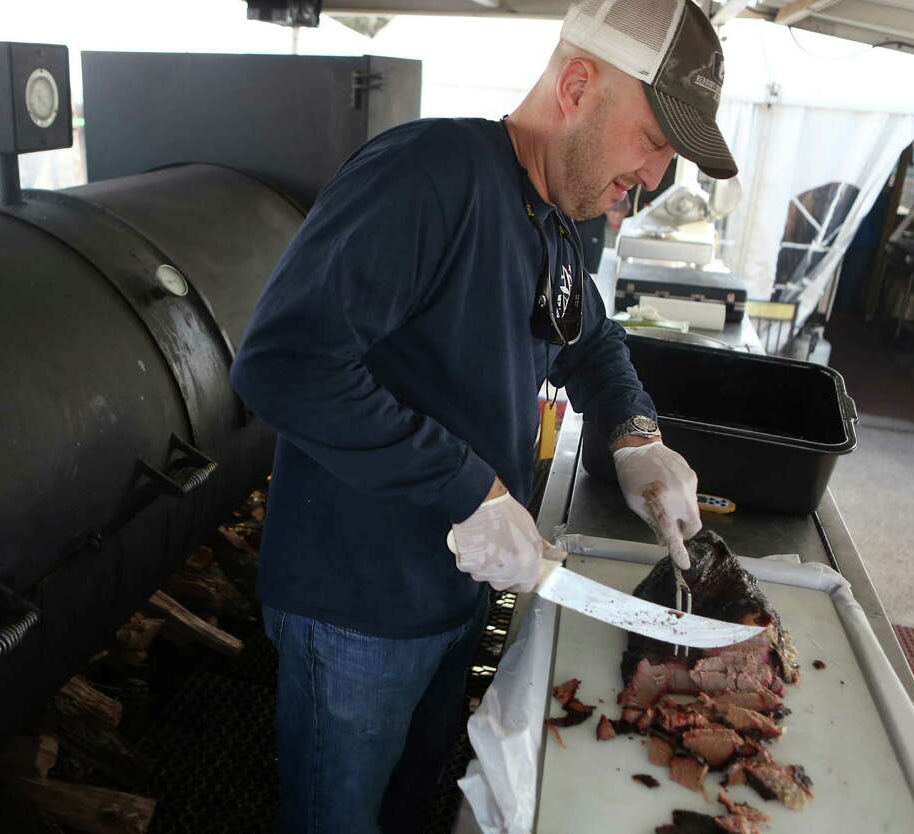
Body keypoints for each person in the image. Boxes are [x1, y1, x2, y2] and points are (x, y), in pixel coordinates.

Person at [229, 1, 738, 830]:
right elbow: (283, 365)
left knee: (416, 795)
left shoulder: (559, 220)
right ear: (576, 86)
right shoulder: (427, 175)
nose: (653, 177)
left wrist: (636, 438)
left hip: (461, 590)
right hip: (357, 604)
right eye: (652, 141)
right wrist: (471, 488)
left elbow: (592, 343)